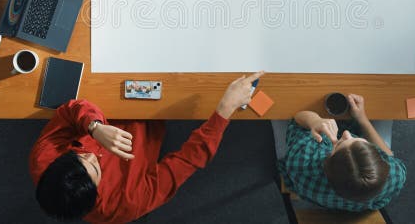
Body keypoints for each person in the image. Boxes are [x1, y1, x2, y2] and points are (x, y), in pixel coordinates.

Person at [30, 71, 264, 223]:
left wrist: (95, 127)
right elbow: (189, 160)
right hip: (154, 110)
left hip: (107, 92)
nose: (94, 155)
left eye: (81, 156)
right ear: (97, 192)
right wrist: (226, 108)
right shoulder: (127, 204)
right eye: (96, 169)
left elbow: (68, 111)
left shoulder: (43, 160)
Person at [278, 94, 406, 211]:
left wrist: (315, 121)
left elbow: (297, 120)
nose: (346, 133)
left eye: (340, 143)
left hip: (308, 182)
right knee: (388, 109)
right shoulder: (395, 176)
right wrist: (362, 119)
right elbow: (388, 156)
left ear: (327, 160)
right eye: (361, 142)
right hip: (351, 204)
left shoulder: (302, 162)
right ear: (378, 159)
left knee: (280, 111)